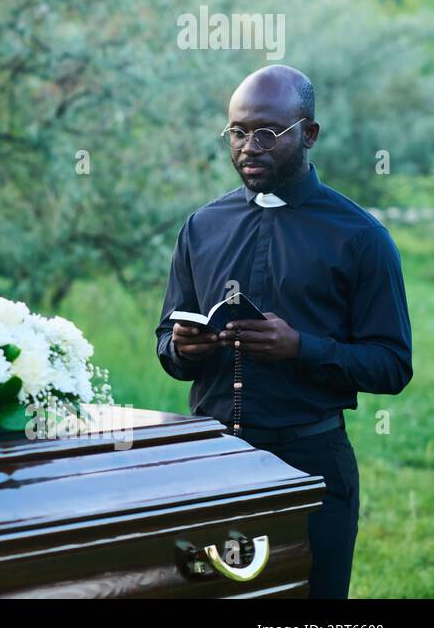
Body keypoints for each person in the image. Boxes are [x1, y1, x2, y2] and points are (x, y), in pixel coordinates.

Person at [157, 64, 413, 598]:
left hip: (311, 468)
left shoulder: (361, 237)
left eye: (267, 132)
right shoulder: (202, 227)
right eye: (238, 131)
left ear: (309, 134)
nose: (249, 145)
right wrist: (183, 348)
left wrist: (301, 348)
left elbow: (392, 364)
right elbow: (167, 341)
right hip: (212, 463)